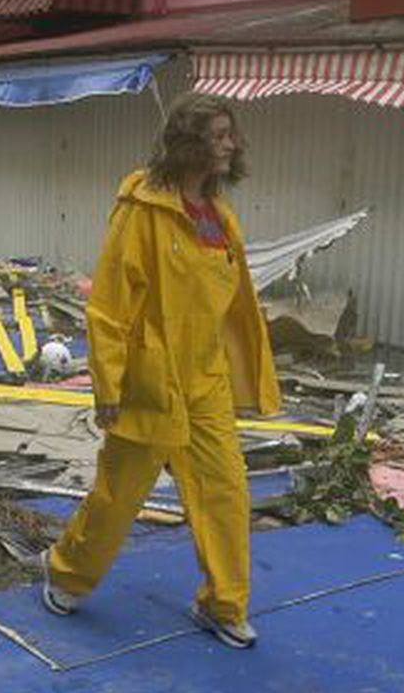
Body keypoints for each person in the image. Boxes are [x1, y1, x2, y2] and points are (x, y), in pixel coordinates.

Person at [41, 93, 280, 649]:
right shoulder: (142, 208)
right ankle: (66, 573)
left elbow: (234, 305)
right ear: (189, 142)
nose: (231, 145)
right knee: (119, 493)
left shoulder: (220, 217)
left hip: (206, 381)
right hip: (151, 380)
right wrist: (109, 381)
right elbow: (110, 303)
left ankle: (224, 604)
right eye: (219, 135)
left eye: (231, 135)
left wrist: (246, 374)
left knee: (225, 489)